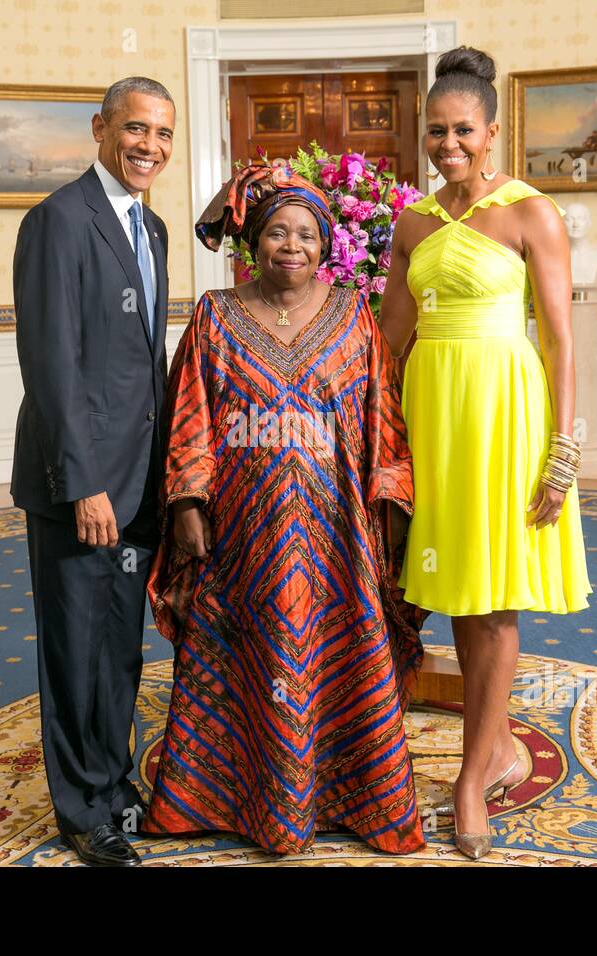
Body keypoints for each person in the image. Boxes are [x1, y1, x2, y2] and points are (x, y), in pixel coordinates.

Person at [140, 160, 428, 855]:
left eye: (305, 234)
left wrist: (391, 509)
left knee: (342, 656)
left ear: (325, 244)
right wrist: (187, 503)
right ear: (253, 242)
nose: (290, 246)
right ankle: (218, 798)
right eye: (276, 232)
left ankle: (354, 798)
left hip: (337, 537)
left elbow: (383, 418)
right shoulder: (214, 315)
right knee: (238, 656)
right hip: (241, 534)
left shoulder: (354, 315)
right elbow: (189, 414)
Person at [378, 45, 593, 860]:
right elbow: (387, 343)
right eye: (436, 132)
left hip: (506, 416)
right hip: (431, 417)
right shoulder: (413, 223)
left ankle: (473, 777)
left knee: (494, 593)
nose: (448, 145)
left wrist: (563, 449)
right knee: (457, 587)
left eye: (463, 130)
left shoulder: (531, 213)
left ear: (493, 131)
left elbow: (560, 340)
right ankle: (496, 746)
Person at [10, 76, 174, 867]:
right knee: (76, 652)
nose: (150, 146)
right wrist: (84, 484)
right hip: (80, 486)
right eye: (136, 129)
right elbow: (51, 366)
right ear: (101, 127)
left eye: (163, 134)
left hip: (139, 481)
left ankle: (113, 782)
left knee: (120, 647)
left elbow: (143, 362)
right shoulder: (57, 221)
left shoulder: (155, 227)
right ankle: (83, 811)